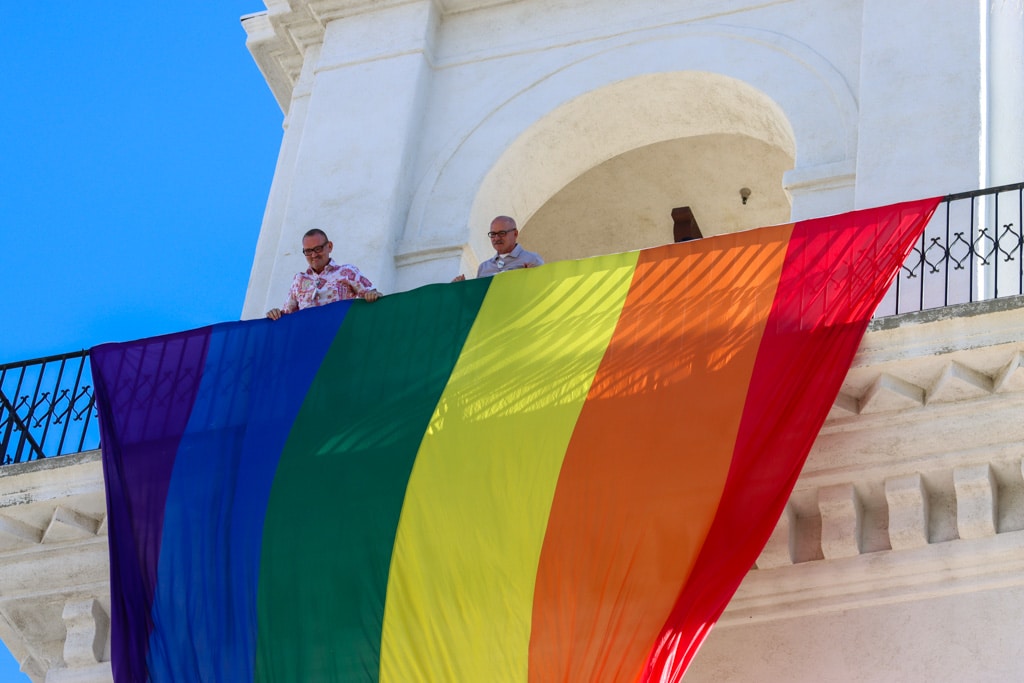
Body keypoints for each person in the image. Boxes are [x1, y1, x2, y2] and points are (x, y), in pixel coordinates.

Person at [266, 229, 381, 320]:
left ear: (329, 246)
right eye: (308, 251)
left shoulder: (347, 272)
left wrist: (372, 296)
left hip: (338, 336)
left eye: (318, 249)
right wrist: (275, 314)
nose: (314, 255)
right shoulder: (299, 280)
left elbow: (373, 295)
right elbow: (286, 316)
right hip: (308, 337)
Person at [453, 216, 544, 281]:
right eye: (493, 234)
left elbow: (545, 289)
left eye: (502, 233)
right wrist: (460, 288)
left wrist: (535, 276)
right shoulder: (484, 267)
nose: (496, 238)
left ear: (515, 234)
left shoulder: (532, 259)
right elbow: (479, 298)